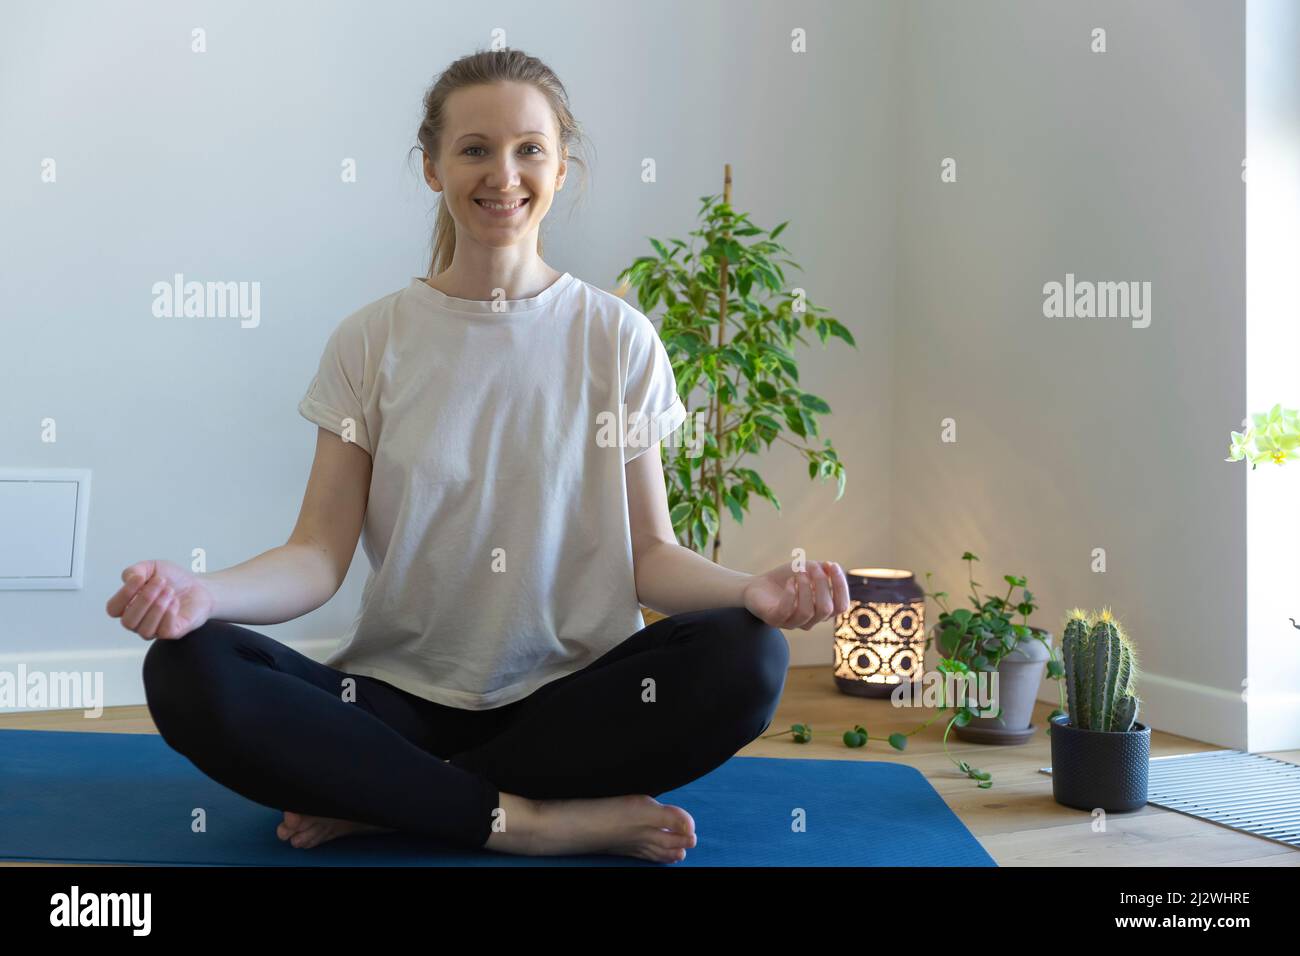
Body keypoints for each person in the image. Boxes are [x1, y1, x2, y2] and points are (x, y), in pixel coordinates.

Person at [105, 48, 850, 864]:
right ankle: (531, 821)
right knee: (189, 667)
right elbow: (317, 556)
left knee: (747, 656)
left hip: (573, 703)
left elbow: (651, 555)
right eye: (474, 149)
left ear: (562, 168)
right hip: (397, 697)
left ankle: (389, 797)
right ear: (432, 167)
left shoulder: (616, 338)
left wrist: (755, 591)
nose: (505, 173)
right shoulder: (371, 340)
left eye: (530, 148)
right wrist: (200, 592)